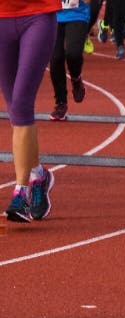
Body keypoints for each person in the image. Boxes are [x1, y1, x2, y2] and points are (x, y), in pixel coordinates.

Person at [1, 0, 59, 223]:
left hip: (38, 15)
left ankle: (21, 194)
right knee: (15, 110)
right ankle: (39, 175)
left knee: (21, 104)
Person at [48, 0, 90, 122]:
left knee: (73, 53)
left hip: (77, 14)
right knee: (55, 58)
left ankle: (76, 79)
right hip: (53, 14)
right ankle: (61, 103)